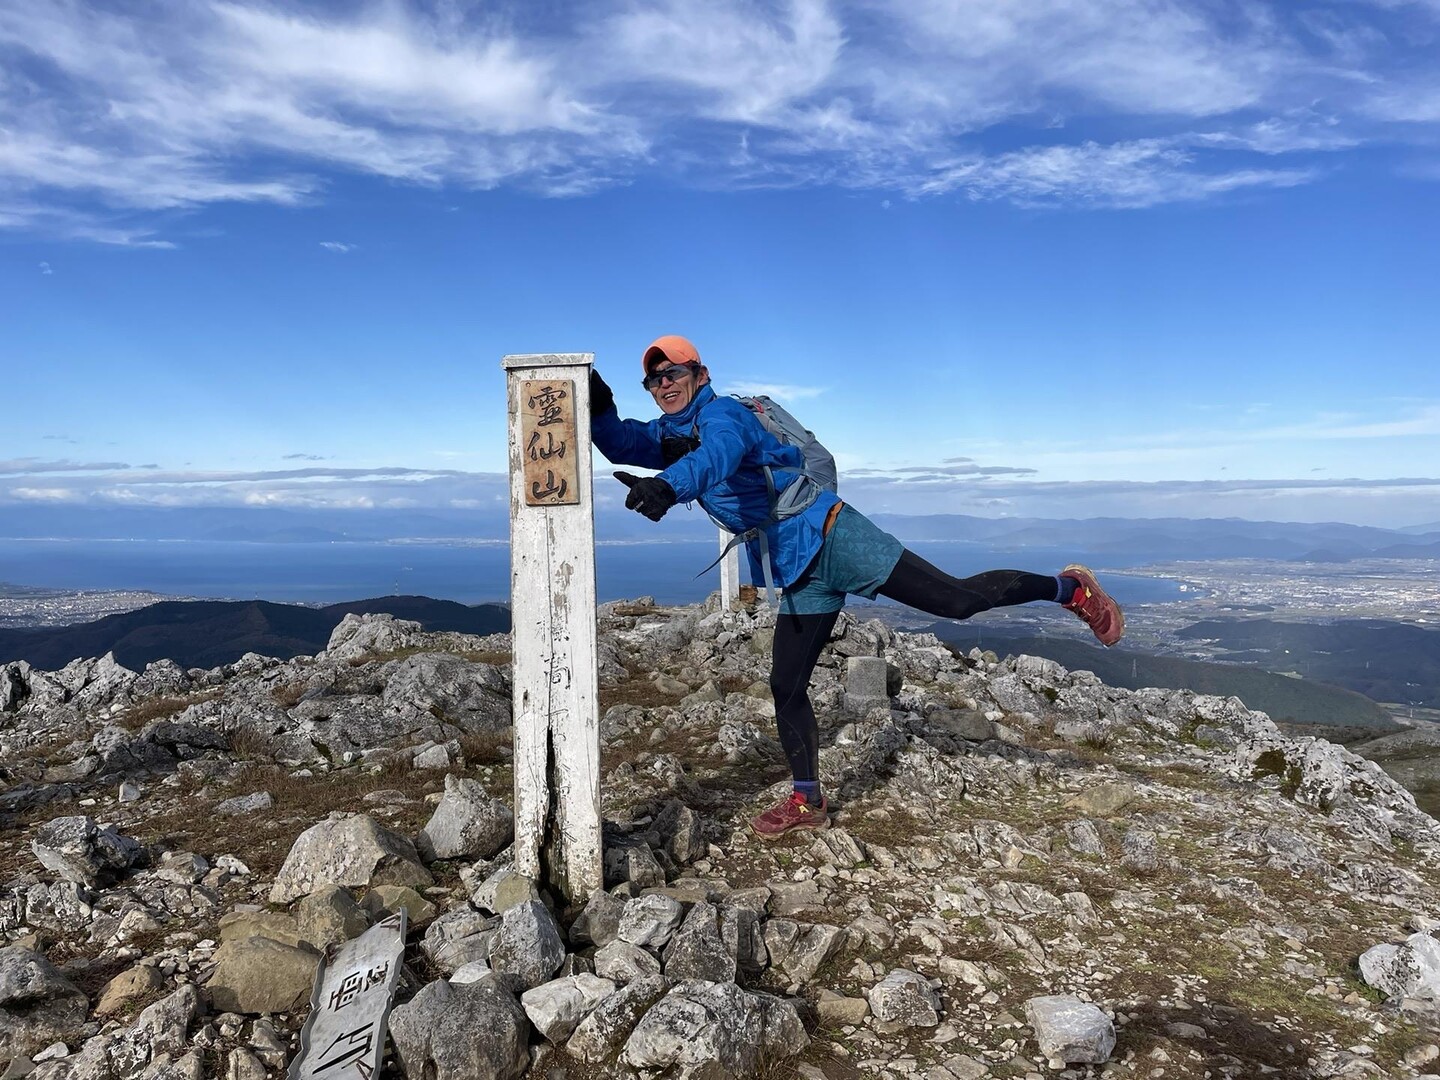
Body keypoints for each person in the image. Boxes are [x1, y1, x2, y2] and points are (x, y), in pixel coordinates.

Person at [589, 335, 1124, 840]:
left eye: (673, 373)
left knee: (957, 601)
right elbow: (622, 444)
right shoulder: (673, 433)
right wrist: (595, 408)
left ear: (699, 374)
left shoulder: (723, 414)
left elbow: (720, 455)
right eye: (653, 380)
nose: (663, 384)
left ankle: (1069, 587)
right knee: (786, 684)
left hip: (834, 535)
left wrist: (669, 484)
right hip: (796, 563)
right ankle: (808, 800)